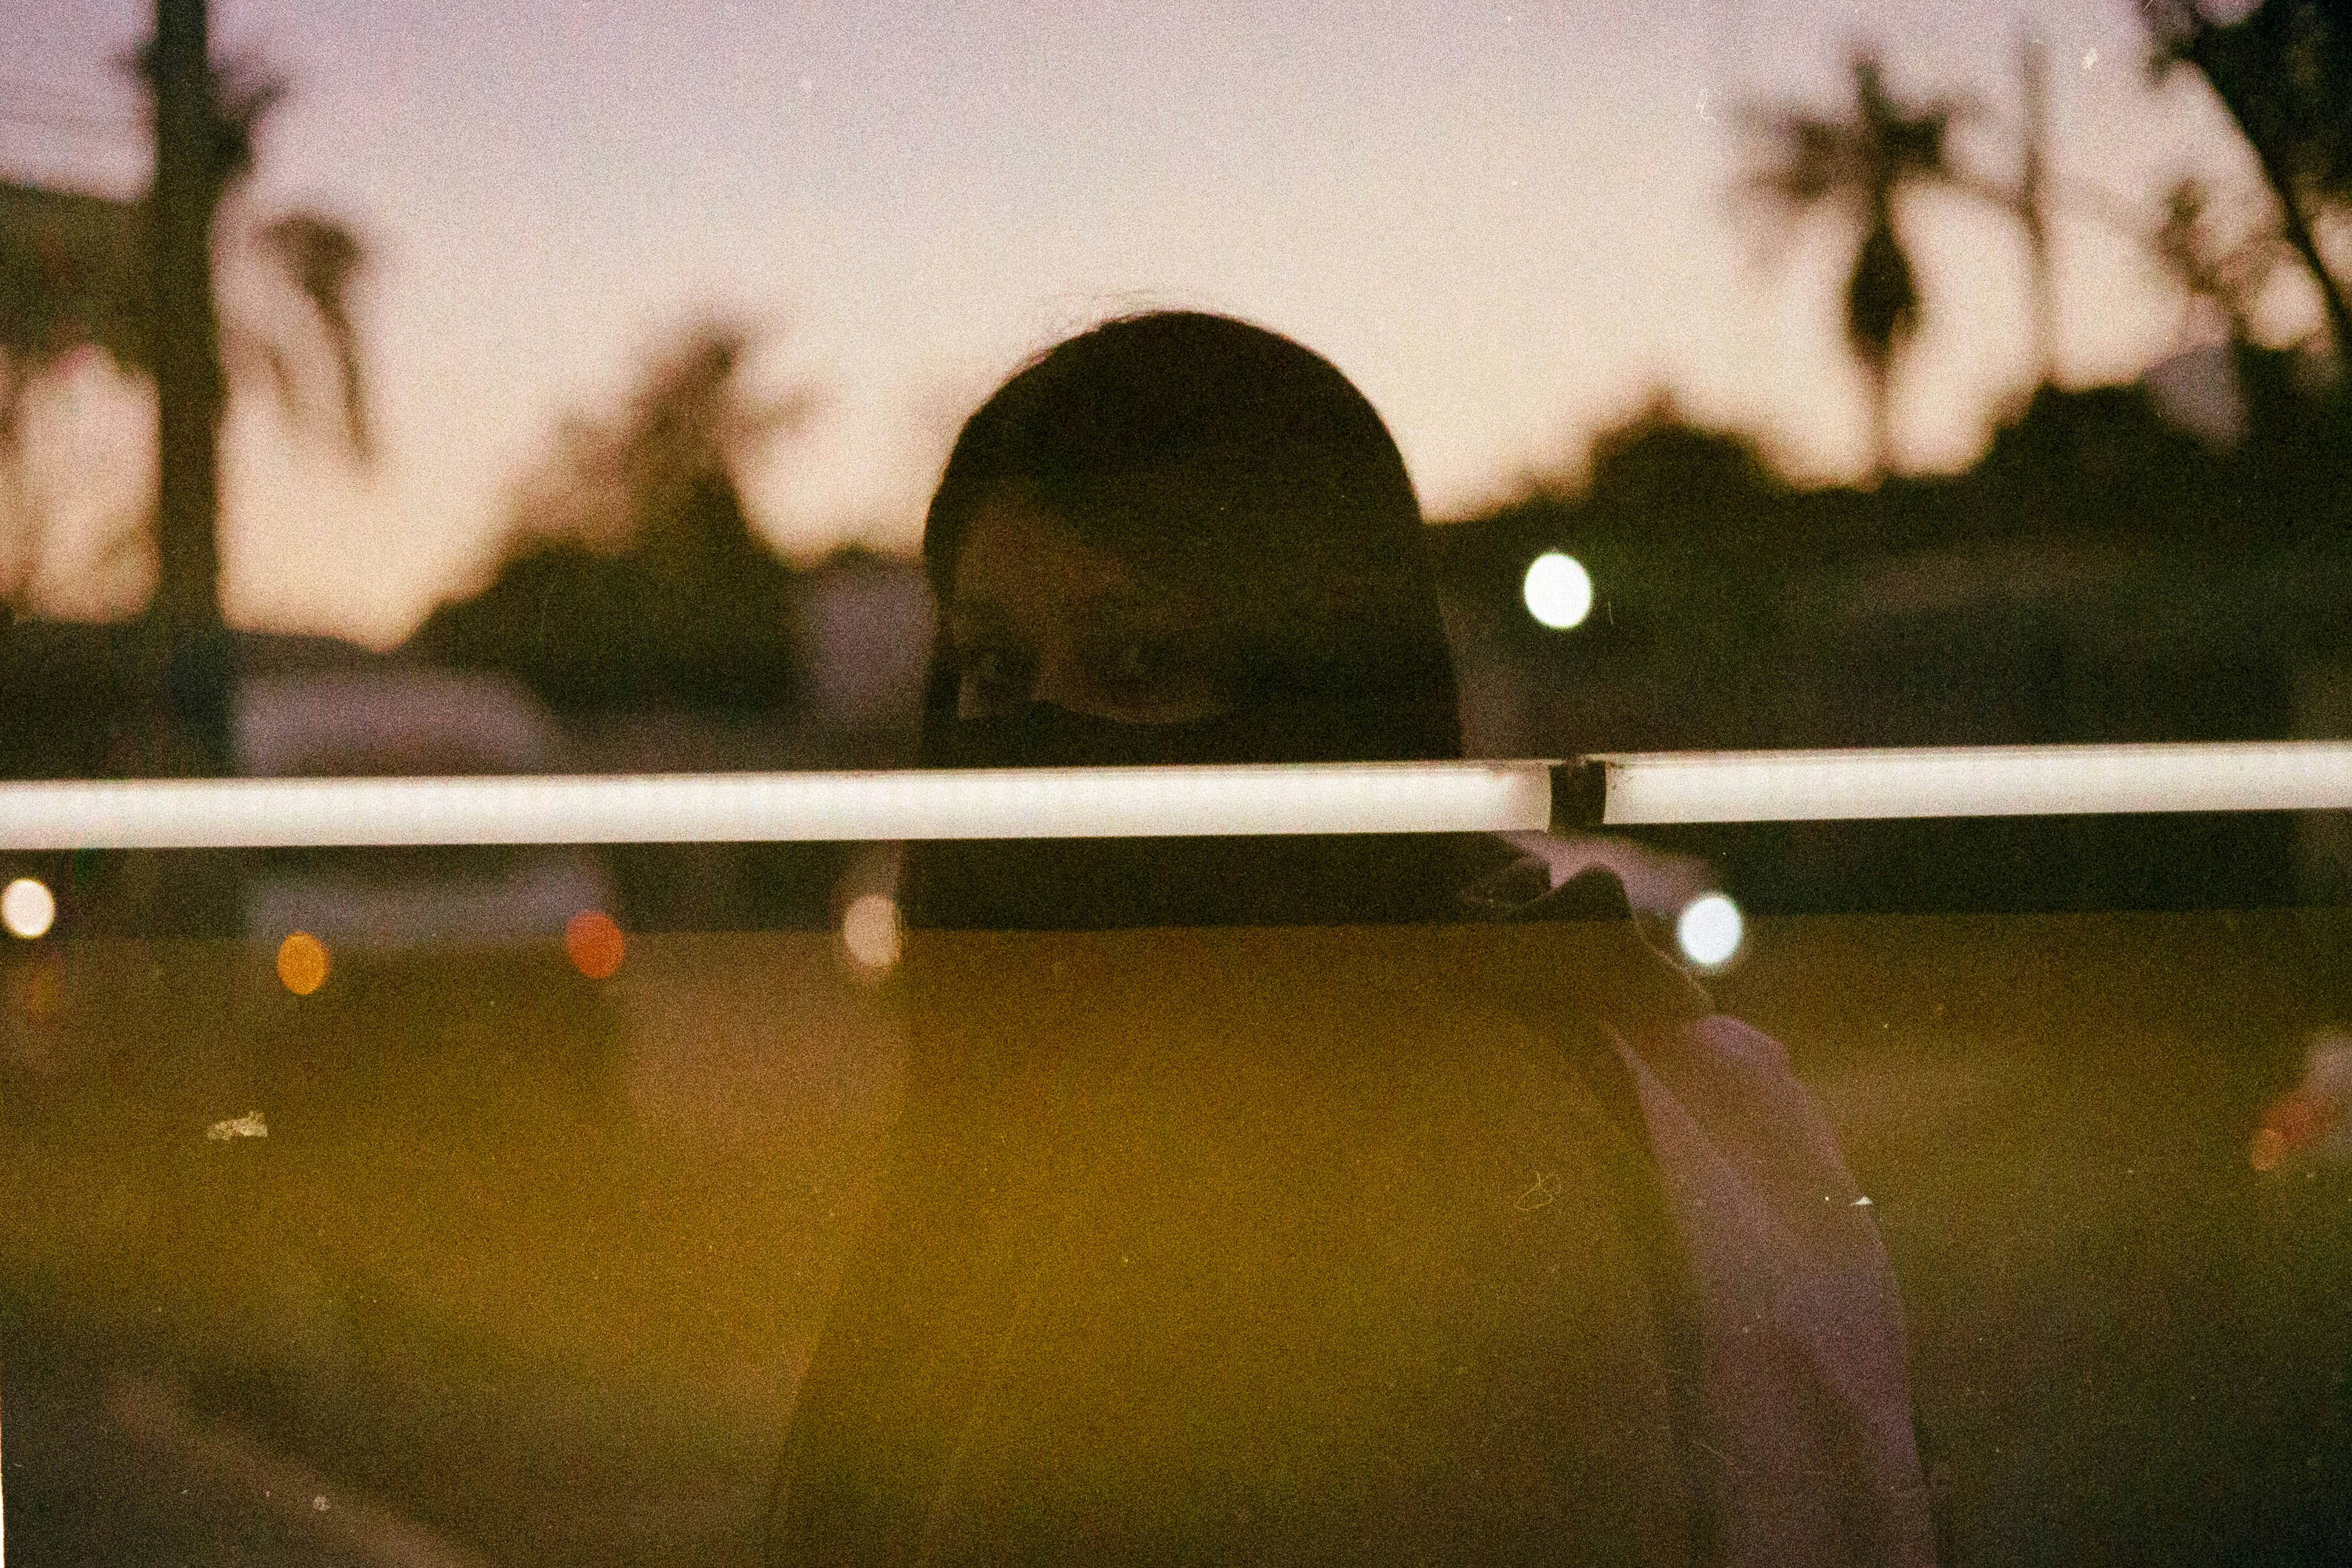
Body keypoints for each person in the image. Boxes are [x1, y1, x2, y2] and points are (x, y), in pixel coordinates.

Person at [766, 312, 1936, 1567]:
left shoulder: (1421, 1144)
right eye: (995, 670)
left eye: (1139, 658)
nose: (1047, 744)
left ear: (1318, 700)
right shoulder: (1079, 1106)